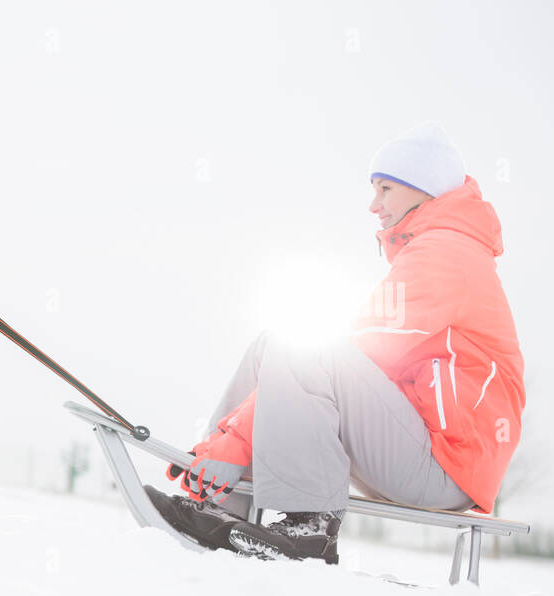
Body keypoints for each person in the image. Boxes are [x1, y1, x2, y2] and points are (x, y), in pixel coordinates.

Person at [145, 122, 525, 563]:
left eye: (385, 189)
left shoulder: (446, 255)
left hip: (448, 467)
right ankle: (222, 498)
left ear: (423, 191)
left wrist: (235, 443)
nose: (373, 205)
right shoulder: (440, 249)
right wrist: (224, 446)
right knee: (275, 343)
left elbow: (357, 349)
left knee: (306, 345)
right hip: (425, 449)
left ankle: (311, 527)